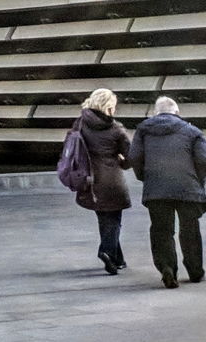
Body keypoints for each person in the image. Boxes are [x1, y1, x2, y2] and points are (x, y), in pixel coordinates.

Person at [129, 96, 206, 288]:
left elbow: (134, 156)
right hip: (187, 187)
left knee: (161, 230)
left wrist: (144, 177)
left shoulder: (143, 130)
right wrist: (197, 180)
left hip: (157, 189)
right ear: (177, 112)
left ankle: (167, 268)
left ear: (156, 112)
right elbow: (203, 159)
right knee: (190, 229)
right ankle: (195, 271)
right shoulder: (192, 131)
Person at [72, 89, 131, 274]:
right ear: (109, 107)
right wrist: (122, 162)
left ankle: (117, 258)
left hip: (90, 180)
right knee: (114, 220)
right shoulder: (116, 129)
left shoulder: (80, 124)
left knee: (105, 219)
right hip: (112, 180)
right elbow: (130, 157)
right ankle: (105, 251)